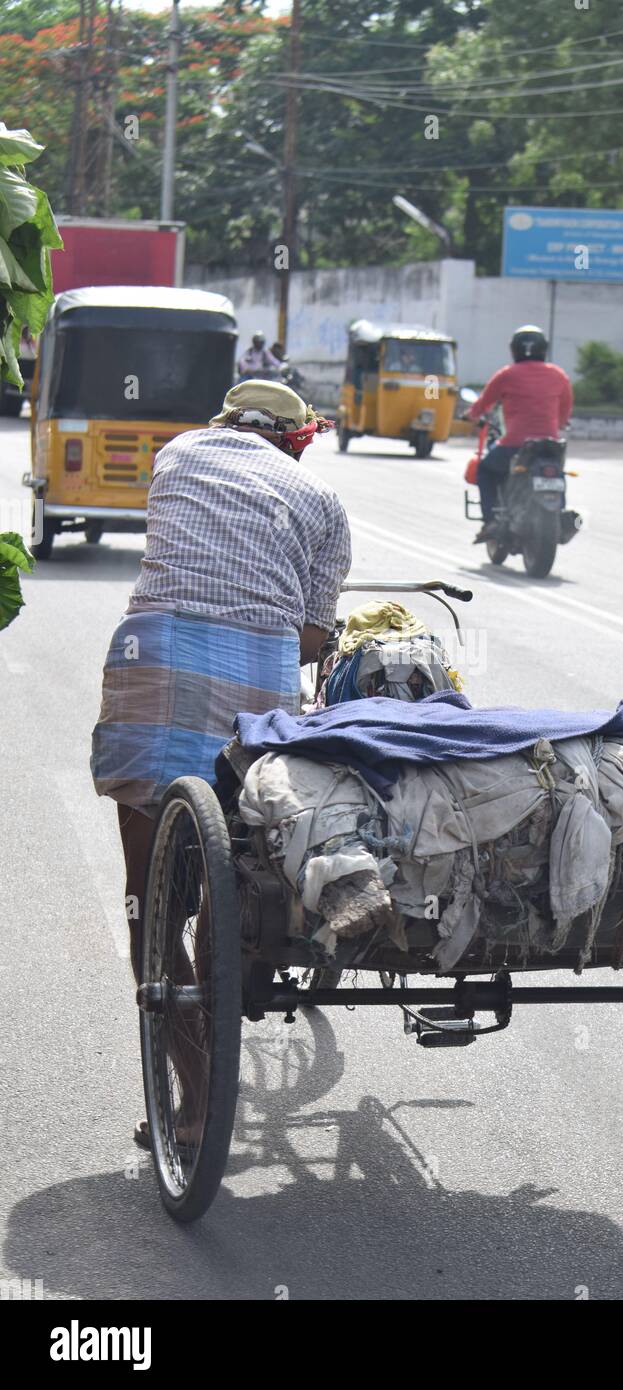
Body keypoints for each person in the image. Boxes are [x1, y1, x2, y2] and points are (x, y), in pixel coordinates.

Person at [90, 379, 351, 1150]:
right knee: (231, 873)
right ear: (297, 439)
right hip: (255, 689)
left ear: (227, 424)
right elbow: (309, 637)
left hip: (157, 661)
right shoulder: (321, 501)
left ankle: (197, 1091)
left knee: (148, 896)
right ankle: (216, 1035)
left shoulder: (177, 456)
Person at [466, 325, 573, 542]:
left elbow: (483, 404)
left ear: (514, 350)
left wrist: (471, 414)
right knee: (557, 471)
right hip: (550, 445)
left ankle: (491, 521)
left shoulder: (506, 375)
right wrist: (560, 423)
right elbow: (565, 410)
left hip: (515, 444)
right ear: (544, 349)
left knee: (485, 470)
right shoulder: (558, 375)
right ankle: (561, 514)